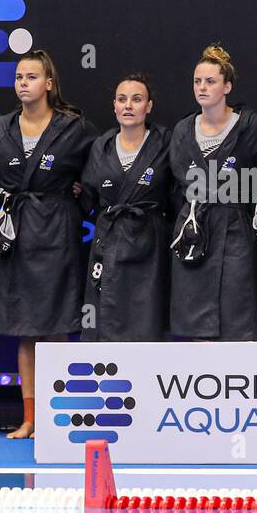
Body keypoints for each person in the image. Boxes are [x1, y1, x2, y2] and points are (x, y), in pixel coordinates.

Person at [0, 49, 96, 439]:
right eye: (18, 77)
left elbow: (95, 175)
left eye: (31, 77)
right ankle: (30, 418)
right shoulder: (0, 128)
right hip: (17, 232)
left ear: (48, 83)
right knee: (25, 329)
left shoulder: (73, 127)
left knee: (57, 328)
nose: (23, 83)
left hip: (57, 230)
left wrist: (80, 194)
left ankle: (58, 414)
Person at [168, 44, 257, 341]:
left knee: (237, 311)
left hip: (235, 226)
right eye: (197, 81)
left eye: (210, 81)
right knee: (194, 310)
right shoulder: (184, 129)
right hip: (194, 226)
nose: (202, 87)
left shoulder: (250, 125)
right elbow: (176, 181)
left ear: (227, 86)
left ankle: (238, 380)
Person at [80, 74, 172, 341]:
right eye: (122, 99)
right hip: (110, 239)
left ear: (149, 106)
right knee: (107, 320)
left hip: (150, 242)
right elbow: (88, 192)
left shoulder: (164, 142)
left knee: (147, 322)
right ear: (114, 106)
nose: (129, 106)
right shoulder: (101, 146)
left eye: (137, 99)